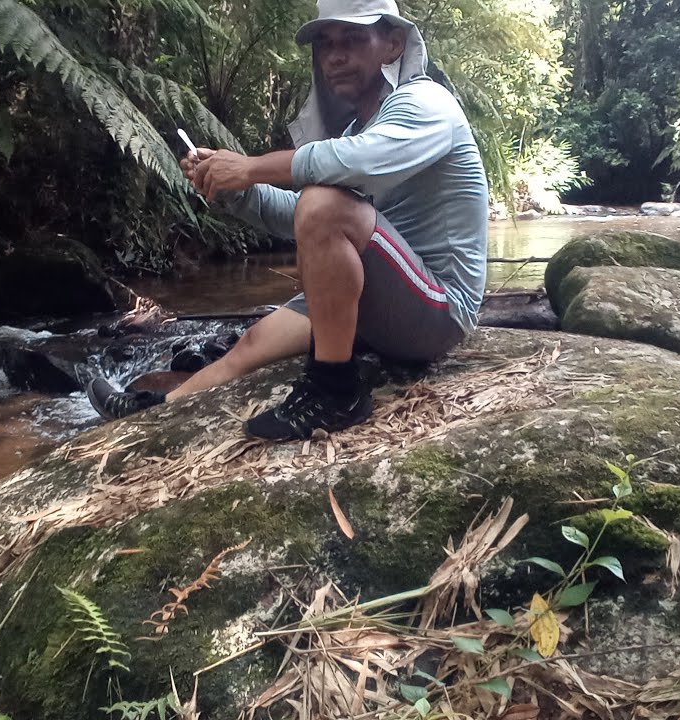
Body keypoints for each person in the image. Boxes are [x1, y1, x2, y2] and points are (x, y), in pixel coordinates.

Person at [87, 0, 489, 440]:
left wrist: (251, 166)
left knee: (323, 202)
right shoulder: (358, 128)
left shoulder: (427, 101)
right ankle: (154, 410)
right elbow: (304, 217)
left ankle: (336, 392)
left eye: (352, 39)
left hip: (439, 311)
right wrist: (236, 191)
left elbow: (353, 171)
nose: (334, 55)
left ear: (393, 44)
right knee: (254, 342)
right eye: (326, 43)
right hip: (388, 296)